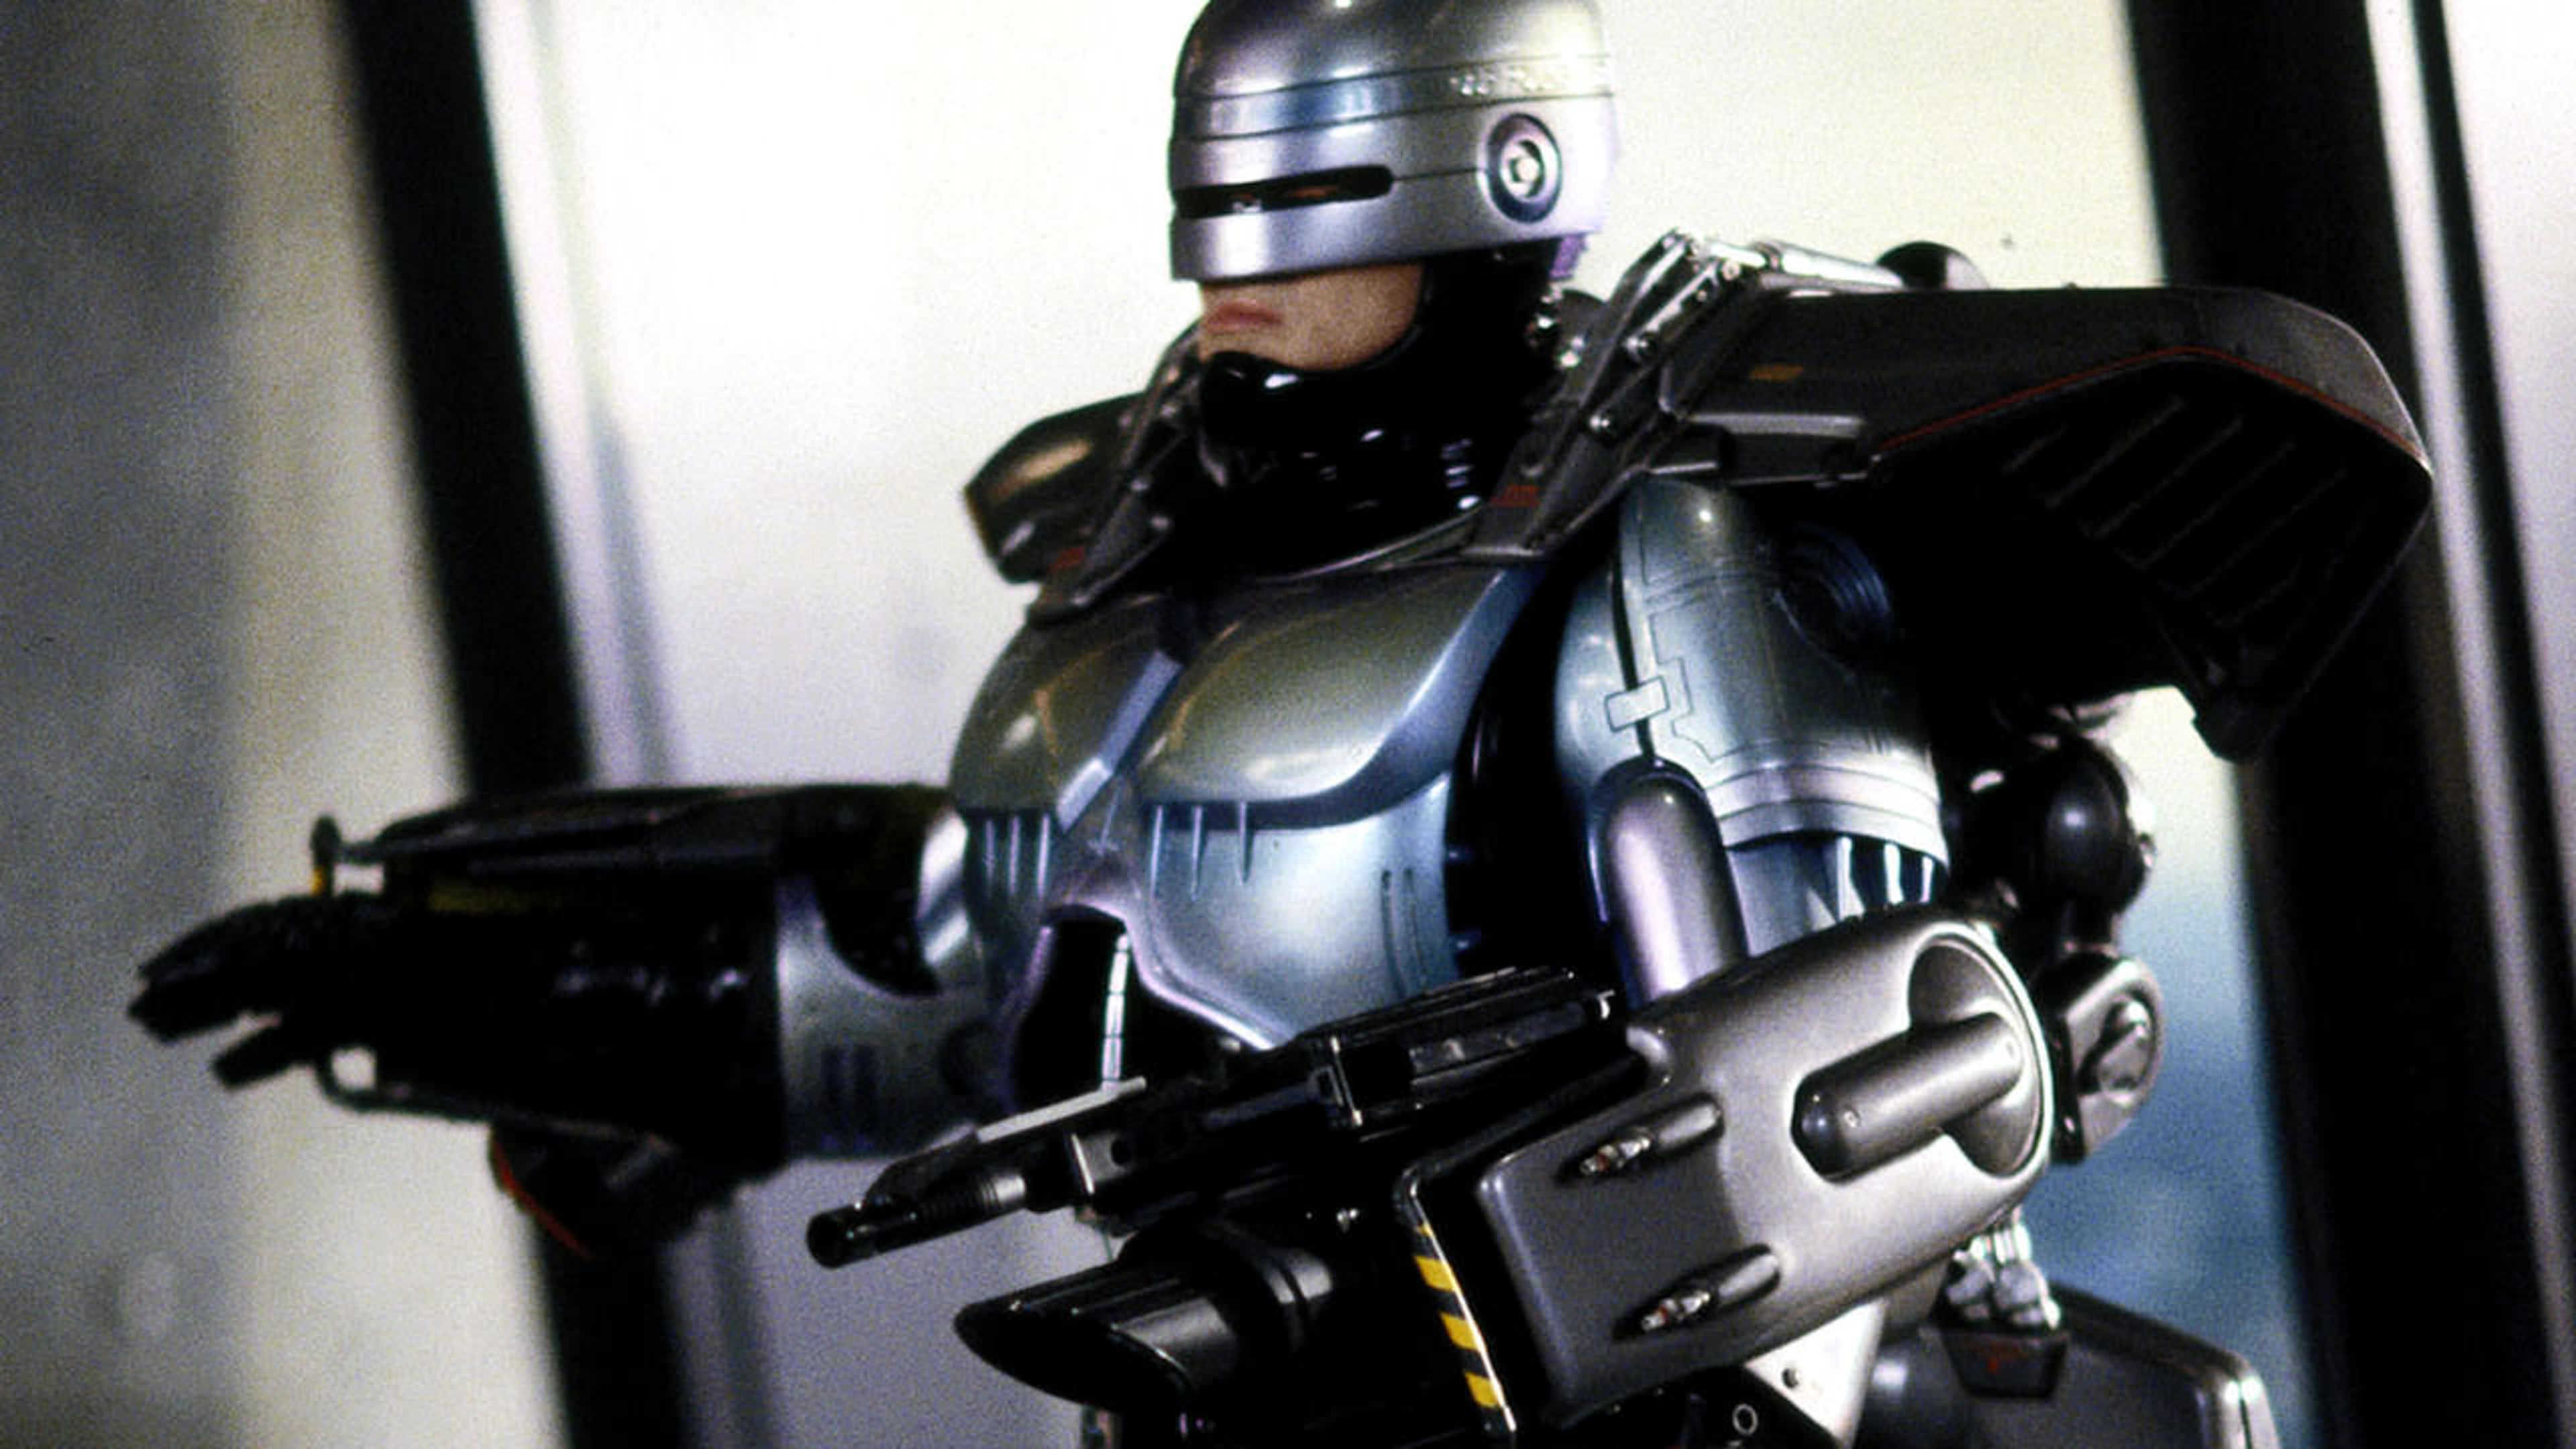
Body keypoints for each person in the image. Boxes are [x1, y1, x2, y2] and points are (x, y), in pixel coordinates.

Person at [133, 1, 2433, 1444]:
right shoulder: (1140, 540)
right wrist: (503, 983)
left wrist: (1380, 1296)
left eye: (1304, 204)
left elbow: (1856, 1102)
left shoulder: (1668, 535)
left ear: (1482, 180)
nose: (1234, 268)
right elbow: (957, 991)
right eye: (1221, 210)